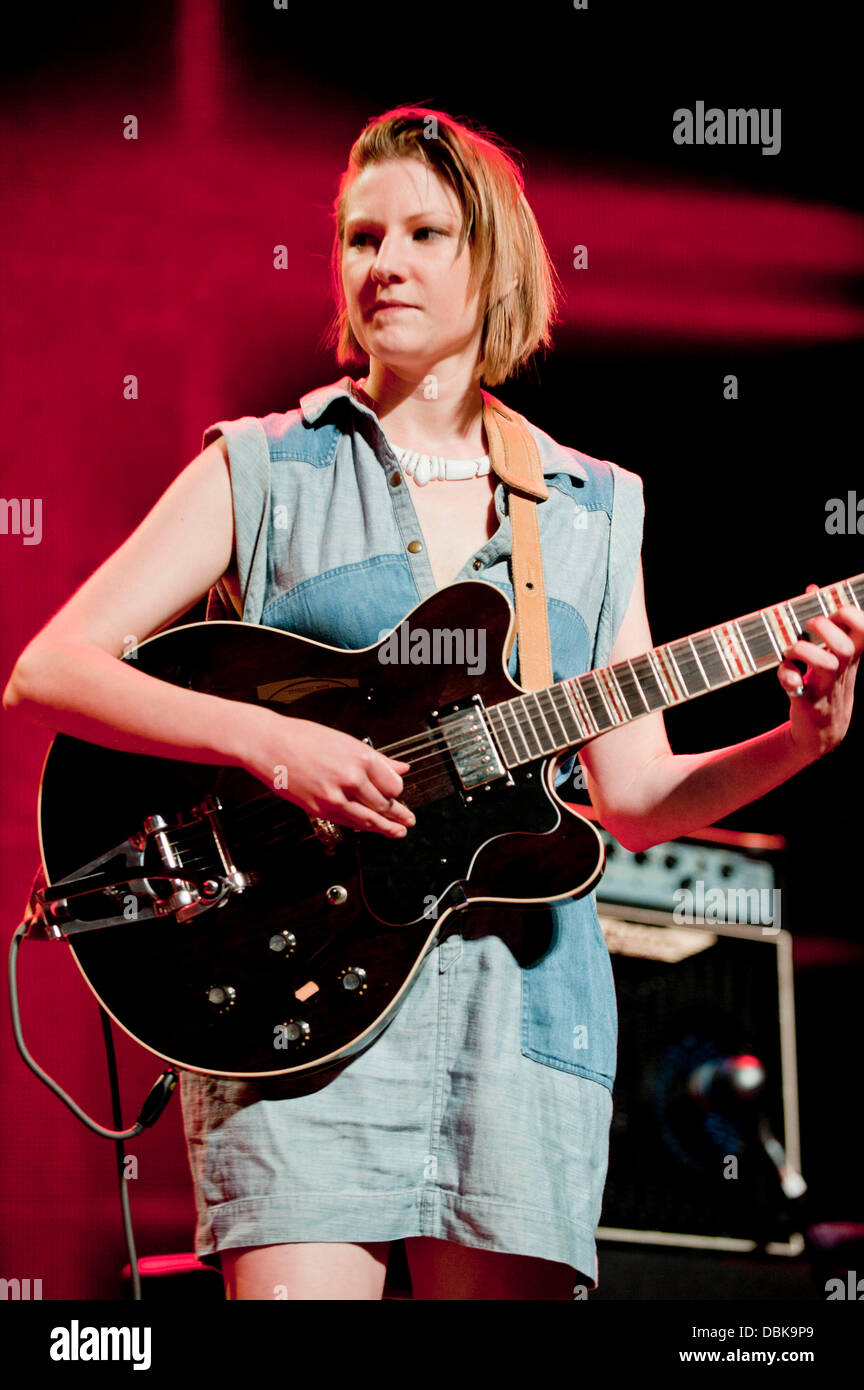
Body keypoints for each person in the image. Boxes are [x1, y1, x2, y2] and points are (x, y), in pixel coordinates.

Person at [4, 106, 862, 1302]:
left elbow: (642, 802)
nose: (382, 263)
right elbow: (52, 666)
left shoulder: (593, 505)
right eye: (361, 237)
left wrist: (803, 735)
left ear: (495, 259)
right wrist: (274, 742)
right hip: (298, 1023)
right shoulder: (267, 465)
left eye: (422, 233)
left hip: (521, 1028)